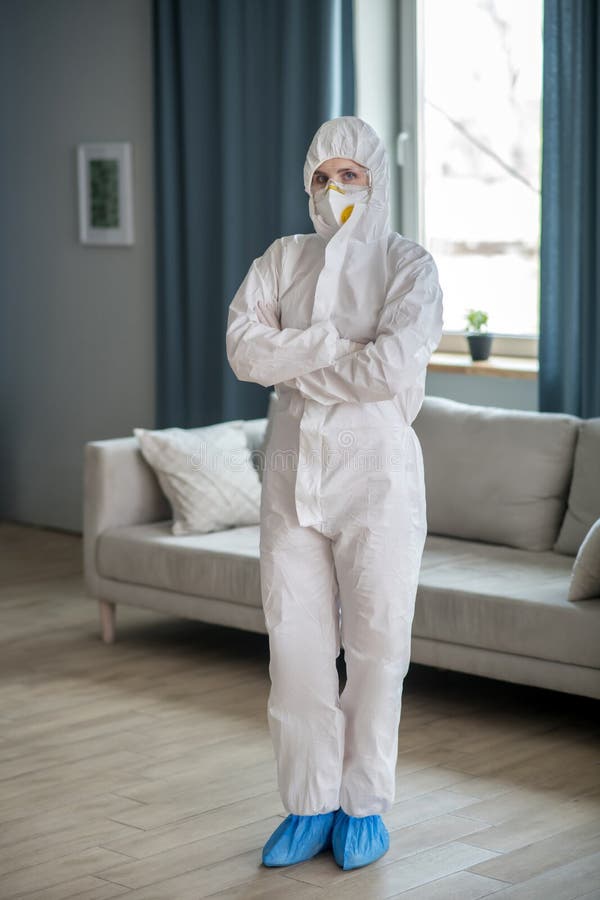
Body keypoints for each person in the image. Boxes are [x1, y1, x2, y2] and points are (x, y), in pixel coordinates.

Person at [226, 116, 443, 871]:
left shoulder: (409, 268)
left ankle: (361, 806)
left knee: (377, 648)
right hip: (290, 477)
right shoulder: (283, 258)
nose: (335, 189)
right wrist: (328, 348)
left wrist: (291, 361)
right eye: (323, 177)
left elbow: (389, 369)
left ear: (377, 180)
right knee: (297, 651)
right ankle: (309, 802)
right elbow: (241, 347)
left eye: (350, 175)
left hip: (376, 480)